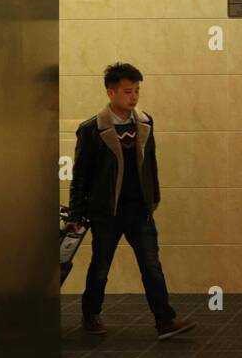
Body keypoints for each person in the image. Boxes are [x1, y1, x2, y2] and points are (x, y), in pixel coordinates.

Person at [68, 62, 195, 339]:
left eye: (136, 91)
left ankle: (165, 321)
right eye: (128, 91)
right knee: (100, 265)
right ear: (111, 93)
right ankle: (91, 315)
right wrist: (76, 214)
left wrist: (155, 196)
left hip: (139, 208)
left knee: (151, 265)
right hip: (106, 211)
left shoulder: (145, 123)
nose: (134, 97)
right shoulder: (91, 129)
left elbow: (151, 164)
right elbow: (81, 174)